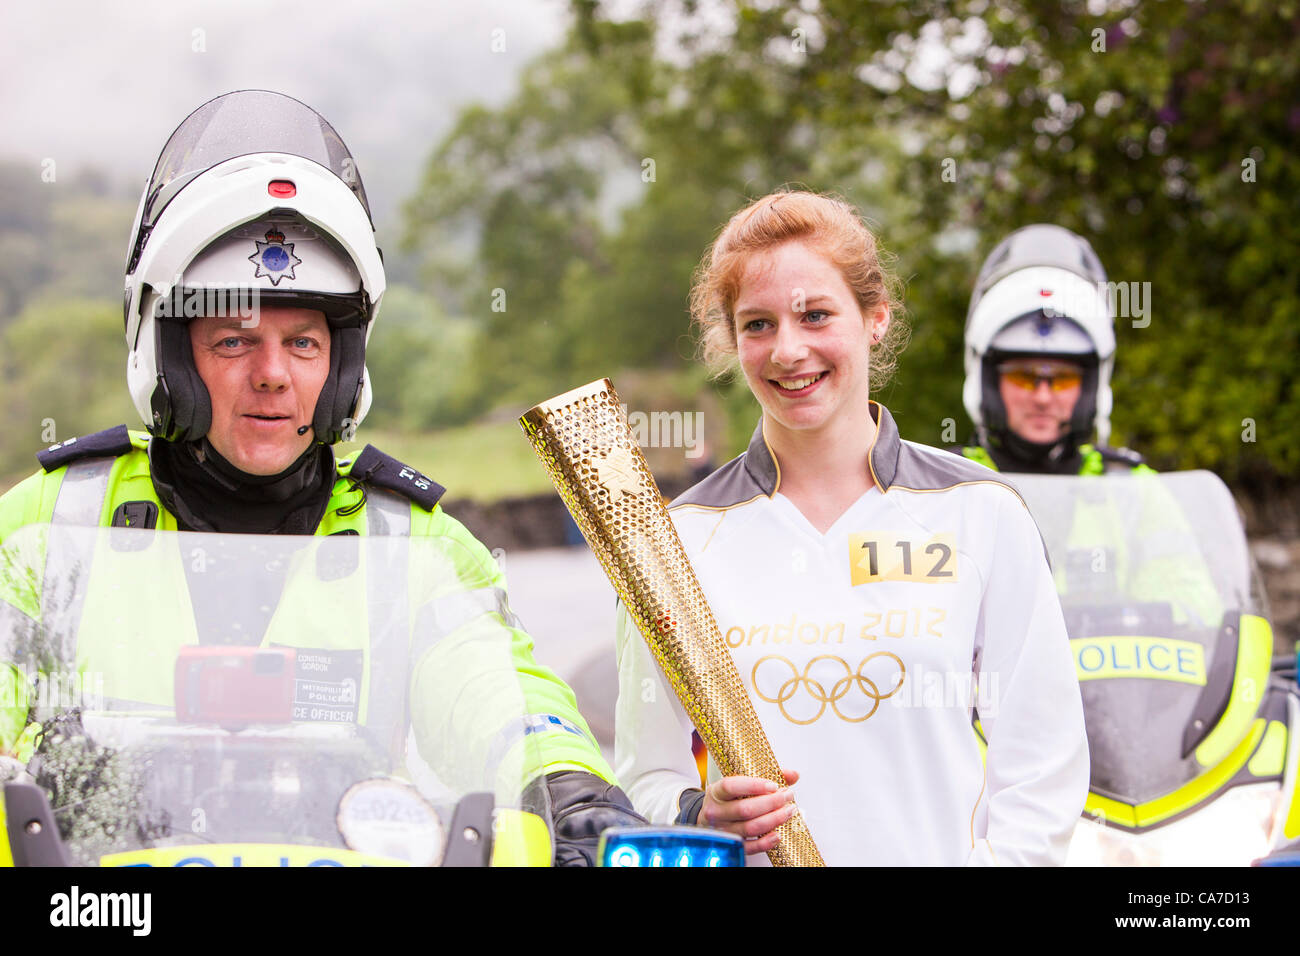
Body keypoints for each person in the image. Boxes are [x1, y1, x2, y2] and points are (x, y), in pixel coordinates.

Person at [0, 90, 641, 866]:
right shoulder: (54, 518)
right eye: (236, 340)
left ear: (341, 370)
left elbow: (503, 695)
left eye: (304, 344)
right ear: (171, 356)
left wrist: (571, 790)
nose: (274, 376)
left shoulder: (410, 538)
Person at [613, 190, 1089, 865]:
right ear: (730, 339)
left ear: (875, 318)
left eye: (815, 315)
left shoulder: (980, 512)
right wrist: (697, 813)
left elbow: (1043, 768)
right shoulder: (679, 539)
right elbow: (642, 778)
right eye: (757, 325)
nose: (788, 350)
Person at [958, 224, 1150, 475]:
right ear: (988, 382)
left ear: (1092, 387)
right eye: (1023, 377)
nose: (1042, 398)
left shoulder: (1132, 486)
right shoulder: (946, 483)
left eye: (1063, 379)